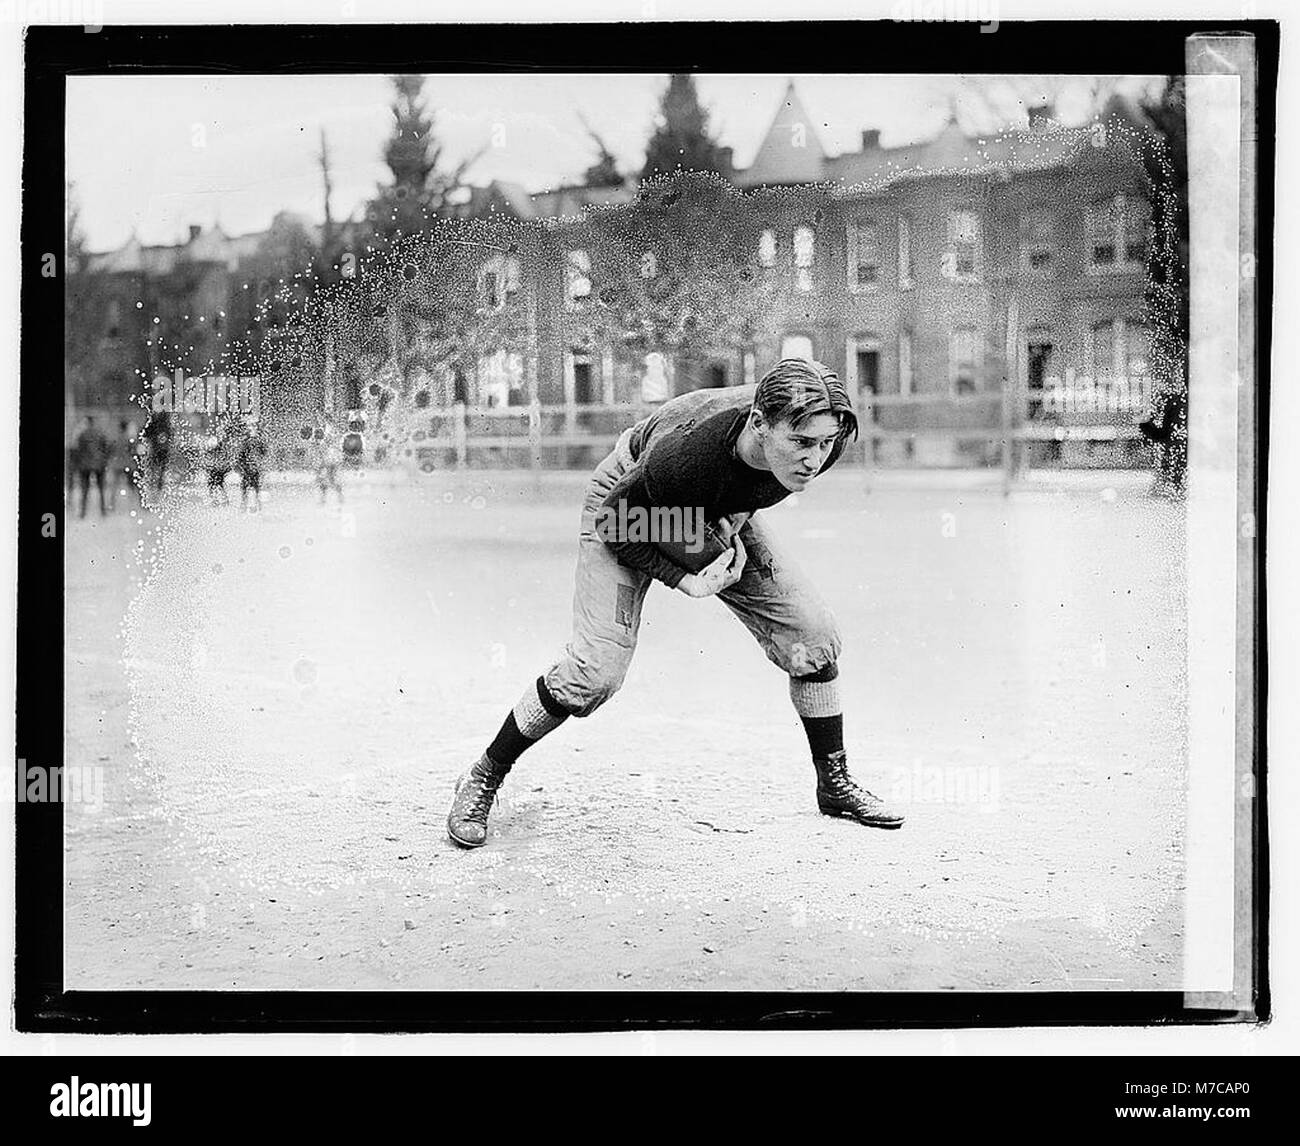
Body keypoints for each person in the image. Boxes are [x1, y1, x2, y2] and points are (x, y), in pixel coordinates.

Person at [446, 358, 904, 849]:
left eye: (823, 444)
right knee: (595, 673)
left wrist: (727, 515)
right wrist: (687, 579)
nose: (814, 459)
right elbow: (616, 523)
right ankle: (484, 774)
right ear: (758, 422)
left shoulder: (815, 428)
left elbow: (756, 475)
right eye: (801, 444)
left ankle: (833, 783)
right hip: (630, 505)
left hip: (709, 501)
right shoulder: (686, 458)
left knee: (811, 637)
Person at [71, 415, 111, 519]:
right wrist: (104, 460)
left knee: (84, 489)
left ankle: (83, 512)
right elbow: (106, 448)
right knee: (101, 489)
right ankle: (103, 511)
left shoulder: (82, 434)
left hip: (85, 464)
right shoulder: (100, 433)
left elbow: (77, 450)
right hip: (99, 464)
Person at [236, 419, 269, 512]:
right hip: (252, 468)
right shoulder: (253, 442)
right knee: (253, 487)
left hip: (250, 468)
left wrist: (240, 465)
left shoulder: (248, 442)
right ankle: (255, 506)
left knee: (248, 488)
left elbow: (240, 456)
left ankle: (247, 505)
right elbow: (264, 452)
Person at [313, 419, 344, 505]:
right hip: (331, 460)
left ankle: (338, 497)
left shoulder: (328, 436)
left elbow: (325, 451)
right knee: (326, 480)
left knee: (329, 479)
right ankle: (331, 498)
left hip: (331, 461)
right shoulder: (324, 439)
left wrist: (321, 466)